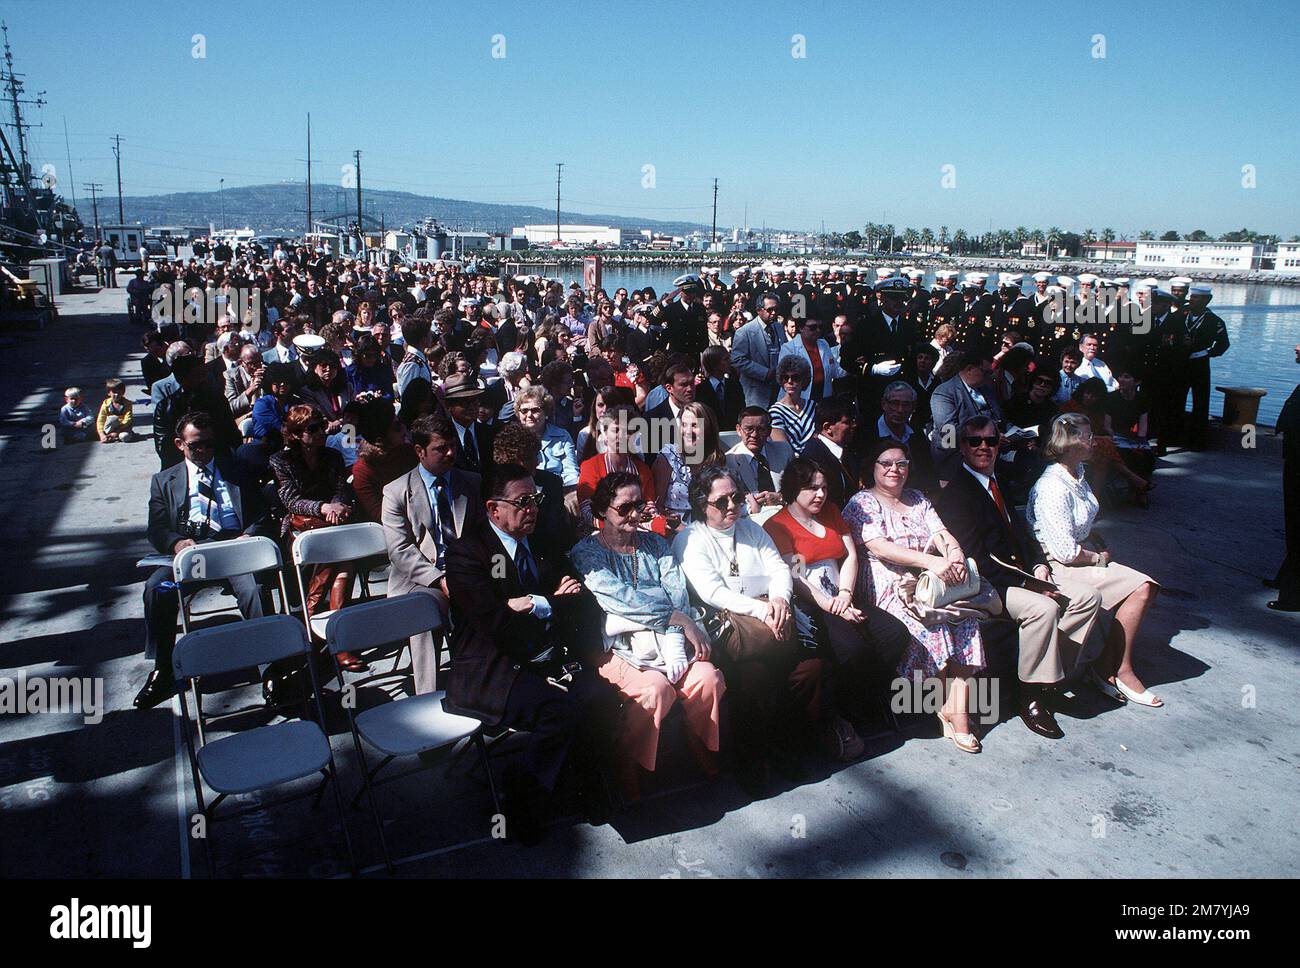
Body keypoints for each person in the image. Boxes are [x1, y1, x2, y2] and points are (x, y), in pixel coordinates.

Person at [444, 464, 617, 843]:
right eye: (522, 502)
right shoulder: (467, 554)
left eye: (536, 499)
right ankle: (521, 798)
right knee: (558, 711)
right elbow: (495, 625)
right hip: (493, 666)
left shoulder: (543, 541)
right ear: (494, 509)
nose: (533, 508)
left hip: (547, 654)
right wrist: (551, 604)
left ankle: (585, 785)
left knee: (599, 696)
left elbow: (585, 604)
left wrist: (536, 604)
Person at [932, 415, 1103, 740]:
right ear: (963, 449)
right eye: (975, 441)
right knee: (1043, 610)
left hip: (1022, 574)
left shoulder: (998, 481)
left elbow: (1022, 533)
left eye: (991, 441)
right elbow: (976, 561)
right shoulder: (958, 495)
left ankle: (1050, 679)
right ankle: (1031, 697)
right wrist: (1029, 584)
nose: (984, 447)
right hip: (987, 585)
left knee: (1087, 598)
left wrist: (1038, 565)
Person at [570, 472, 725, 800]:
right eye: (624, 507)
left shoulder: (655, 544)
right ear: (602, 511)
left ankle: (695, 737)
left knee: (708, 677)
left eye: (638, 505)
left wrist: (679, 621)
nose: (633, 514)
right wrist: (675, 618)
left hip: (669, 644)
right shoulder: (587, 552)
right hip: (617, 650)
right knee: (655, 689)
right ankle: (627, 758)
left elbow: (677, 592)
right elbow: (616, 598)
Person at [843, 440, 987, 752]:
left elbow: (941, 533)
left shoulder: (918, 499)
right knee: (931, 626)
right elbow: (880, 547)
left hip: (930, 581)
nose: (895, 469)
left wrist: (956, 554)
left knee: (966, 620)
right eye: (887, 463)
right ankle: (941, 704)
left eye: (902, 463)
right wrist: (933, 561)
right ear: (874, 467)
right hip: (890, 582)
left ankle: (955, 709)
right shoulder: (862, 503)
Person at [765, 458, 911, 761]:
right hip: (810, 603)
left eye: (824, 488)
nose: (820, 494)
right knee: (850, 648)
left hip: (842, 592)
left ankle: (864, 701)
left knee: (894, 633)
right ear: (794, 488)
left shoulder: (831, 512)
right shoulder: (778, 525)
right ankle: (836, 717)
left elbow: (850, 556)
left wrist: (845, 595)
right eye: (811, 488)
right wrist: (831, 605)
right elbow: (796, 576)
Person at [673, 465, 806, 789]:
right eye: (721, 501)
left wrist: (779, 601)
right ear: (702, 504)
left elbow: (778, 568)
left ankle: (782, 750)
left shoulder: (750, 529)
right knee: (753, 677)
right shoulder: (690, 539)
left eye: (735, 497)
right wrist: (764, 610)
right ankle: (752, 761)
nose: (732, 506)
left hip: (767, 620)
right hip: (723, 627)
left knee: (788, 668)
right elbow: (712, 593)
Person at [1027, 413, 1163, 706]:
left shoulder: (1077, 474)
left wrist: (1097, 545)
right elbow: (1064, 551)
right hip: (1059, 566)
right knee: (1142, 587)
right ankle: (1117, 669)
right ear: (1072, 442)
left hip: (1082, 555)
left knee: (1145, 586)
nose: (1095, 442)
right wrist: (1098, 558)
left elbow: (1083, 524)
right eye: (1089, 437)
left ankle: (1108, 666)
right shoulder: (1053, 486)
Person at [136, 412, 268, 709]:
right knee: (158, 588)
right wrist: (176, 542)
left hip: (233, 546)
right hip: (192, 552)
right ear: (180, 444)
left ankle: (269, 661)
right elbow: (156, 528)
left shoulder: (236, 470)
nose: (204, 451)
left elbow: (262, 513)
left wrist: (248, 534)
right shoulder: (164, 481)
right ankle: (163, 667)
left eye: (209, 444)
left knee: (254, 589)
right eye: (196, 446)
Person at [381, 412, 482, 694]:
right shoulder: (396, 491)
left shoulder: (470, 483)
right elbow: (400, 551)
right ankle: (428, 696)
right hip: (421, 581)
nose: (450, 453)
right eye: (440, 449)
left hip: (466, 573)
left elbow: (481, 536)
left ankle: (488, 687)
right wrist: (440, 580)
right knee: (424, 613)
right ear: (419, 451)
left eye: (453, 446)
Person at [269, 404, 362, 671]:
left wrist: (338, 505)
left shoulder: (331, 456)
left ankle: (315, 620)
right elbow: (291, 500)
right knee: (341, 556)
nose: (320, 432)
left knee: (341, 557)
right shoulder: (281, 460)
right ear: (297, 434)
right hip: (302, 527)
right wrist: (324, 508)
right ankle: (338, 639)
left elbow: (341, 488)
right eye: (312, 429)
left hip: (332, 524)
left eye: (321, 426)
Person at [577, 405, 660, 528]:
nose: (622, 436)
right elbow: (586, 511)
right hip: (599, 531)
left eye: (629, 431)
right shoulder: (591, 467)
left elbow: (650, 508)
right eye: (616, 430)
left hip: (638, 528)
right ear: (604, 434)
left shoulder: (643, 470)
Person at [929, 347, 1003, 478]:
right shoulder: (944, 392)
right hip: (954, 457)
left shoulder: (986, 388)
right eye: (985, 373)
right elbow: (948, 434)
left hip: (988, 453)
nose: (989, 377)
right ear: (969, 369)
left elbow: (998, 416)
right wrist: (987, 437)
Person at [652, 401, 727, 527]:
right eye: (684, 425)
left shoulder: (716, 460)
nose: (688, 431)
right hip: (674, 530)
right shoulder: (668, 457)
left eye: (694, 425)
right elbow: (656, 507)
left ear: (708, 428)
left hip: (711, 527)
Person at [1179, 285, 1231, 451]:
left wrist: (1208, 353)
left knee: (1200, 402)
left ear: (1206, 300)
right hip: (1180, 363)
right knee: (1176, 399)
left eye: (1196, 298)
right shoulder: (1181, 316)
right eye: (1192, 297)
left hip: (1199, 363)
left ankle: (1197, 441)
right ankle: (1174, 436)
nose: (1192, 300)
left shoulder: (1214, 320)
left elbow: (1223, 344)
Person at [861, 381, 937, 492]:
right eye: (894, 403)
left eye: (906, 405)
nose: (900, 410)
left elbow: (927, 471)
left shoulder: (916, 434)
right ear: (884, 404)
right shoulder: (867, 435)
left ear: (913, 407)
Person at [1270, 343, 1300, 611]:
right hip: (1294, 459)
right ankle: (1287, 578)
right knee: (1293, 523)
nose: (1297, 347)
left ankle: (1293, 595)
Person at [350, 399, 416, 523]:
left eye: (401, 422)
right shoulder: (363, 470)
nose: (403, 428)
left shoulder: (408, 452)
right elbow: (378, 514)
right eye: (396, 427)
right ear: (380, 438)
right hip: (392, 527)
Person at [515, 385, 579, 510]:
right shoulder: (514, 438)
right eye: (524, 411)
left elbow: (571, 472)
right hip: (525, 495)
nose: (529, 415)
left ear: (546, 413)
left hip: (559, 492)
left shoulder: (562, 435)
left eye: (535, 410)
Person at [726, 406, 793, 516]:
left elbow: (799, 487)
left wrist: (780, 497)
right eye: (748, 429)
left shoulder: (784, 451)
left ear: (769, 431)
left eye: (761, 429)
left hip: (786, 512)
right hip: (750, 518)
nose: (754, 435)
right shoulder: (729, 461)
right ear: (738, 430)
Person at [799, 396, 861, 509]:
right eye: (847, 422)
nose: (854, 425)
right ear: (827, 427)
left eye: (854, 420)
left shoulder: (849, 453)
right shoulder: (812, 458)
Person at [731, 292, 787, 408]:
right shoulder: (744, 332)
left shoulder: (779, 327)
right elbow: (737, 360)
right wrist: (765, 373)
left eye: (776, 310)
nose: (774, 313)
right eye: (770, 310)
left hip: (779, 390)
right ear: (758, 310)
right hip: (756, 392)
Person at [778, 317, 844, 402]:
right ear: (801, 328)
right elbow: (786, 381)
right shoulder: (789, 348)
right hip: (797, 402)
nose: (818, 330)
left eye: (820, 327)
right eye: (813, 327)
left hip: (823, 401)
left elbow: (835, 371)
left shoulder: (823, 344)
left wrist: (853, 366)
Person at [768, 354, 818, 455]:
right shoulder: (775, 412)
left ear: (804, 380)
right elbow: (782, 447)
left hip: (816, 459)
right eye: (785, 378)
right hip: (791, 464)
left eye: (795, 377)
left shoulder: (813, 406)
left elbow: (820, 439)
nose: (790, 381)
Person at [96, 378, 136, 443]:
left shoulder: (127, 403)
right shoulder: (106, 403)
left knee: (125, 437)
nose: (116, 395)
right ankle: (109, 436)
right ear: (109, 393)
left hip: (123, 427)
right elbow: (101, 419)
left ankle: (115, 436)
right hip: (110, 427)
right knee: (113, 418)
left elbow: (128, 419)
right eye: (114, 392)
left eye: (119, 392)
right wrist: (101, 434)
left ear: (123, 392)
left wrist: (117, 431)